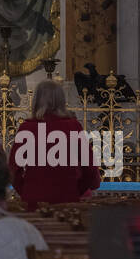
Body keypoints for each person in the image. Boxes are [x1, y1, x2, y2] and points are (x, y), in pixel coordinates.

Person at [8, 79, 101, 210]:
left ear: (35, 101)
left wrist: (26, 191)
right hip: (67, 199)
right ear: (61, 101)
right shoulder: (73, 126)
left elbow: (13, 170)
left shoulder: (27, 128)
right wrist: (76, 190)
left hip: (34, 200)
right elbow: (90, 169)